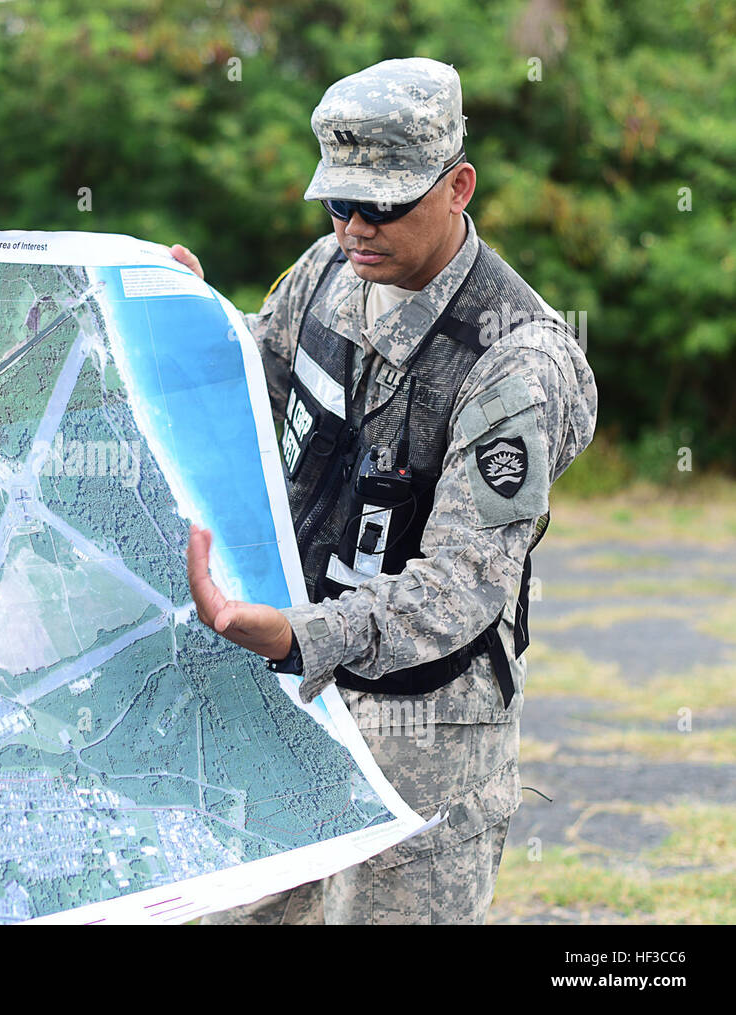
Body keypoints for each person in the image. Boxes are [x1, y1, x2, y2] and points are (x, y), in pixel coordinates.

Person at [173, 57, 597, 924]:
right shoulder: (328, 272)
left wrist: (301, 634)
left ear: (457, 187)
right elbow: (257, 390)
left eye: (385, 204)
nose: (356, 227)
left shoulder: (513, 361)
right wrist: (184, 321)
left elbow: (462, 585)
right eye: (338, 202)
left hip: (424, 732)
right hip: (293, 688)